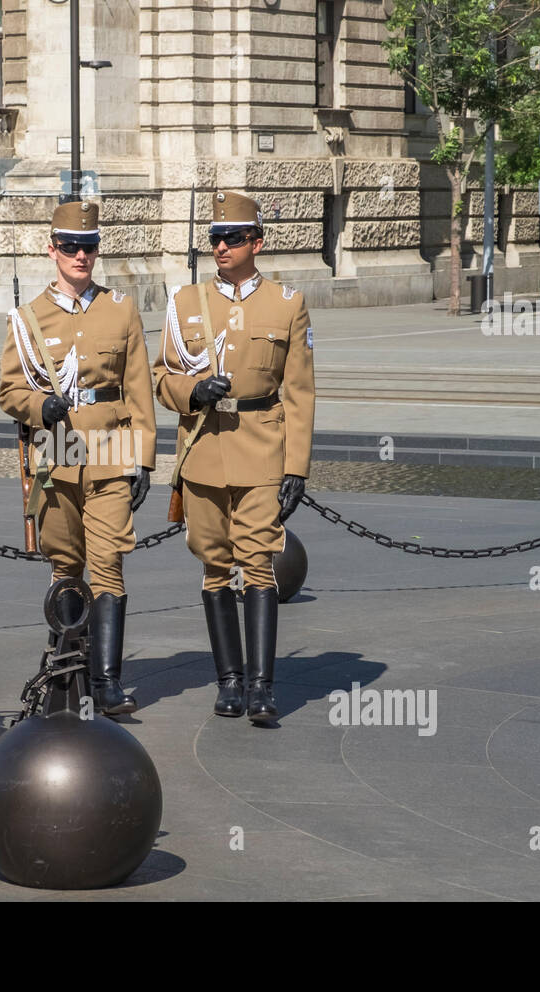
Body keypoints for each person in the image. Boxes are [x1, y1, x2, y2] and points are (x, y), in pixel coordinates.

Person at [152, 190, 316, 724]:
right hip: (203, 449)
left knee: (260, 563)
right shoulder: (184, 303)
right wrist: (191, 392)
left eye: (233, 237)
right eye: (215, 238)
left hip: (262, 446)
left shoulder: (287, 304)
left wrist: (297, 465)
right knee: (213, 563)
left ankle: (263, 687)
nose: (221, 246)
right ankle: (229, 681)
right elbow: (160, 378)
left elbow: (300, 391)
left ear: (257, 243)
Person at [0, 200, 157, 716]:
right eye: (70, 247)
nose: (80, 255)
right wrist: (39, 406)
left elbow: (138, 390)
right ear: (52, 249)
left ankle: (107, 681)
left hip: (111, 450)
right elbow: (8, 391)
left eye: (88, 246)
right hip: (57, 449)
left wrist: (144, 459)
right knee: (65, 564)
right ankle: (70, 668)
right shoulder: (28, 318)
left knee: (108, 561)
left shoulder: (121, 309)